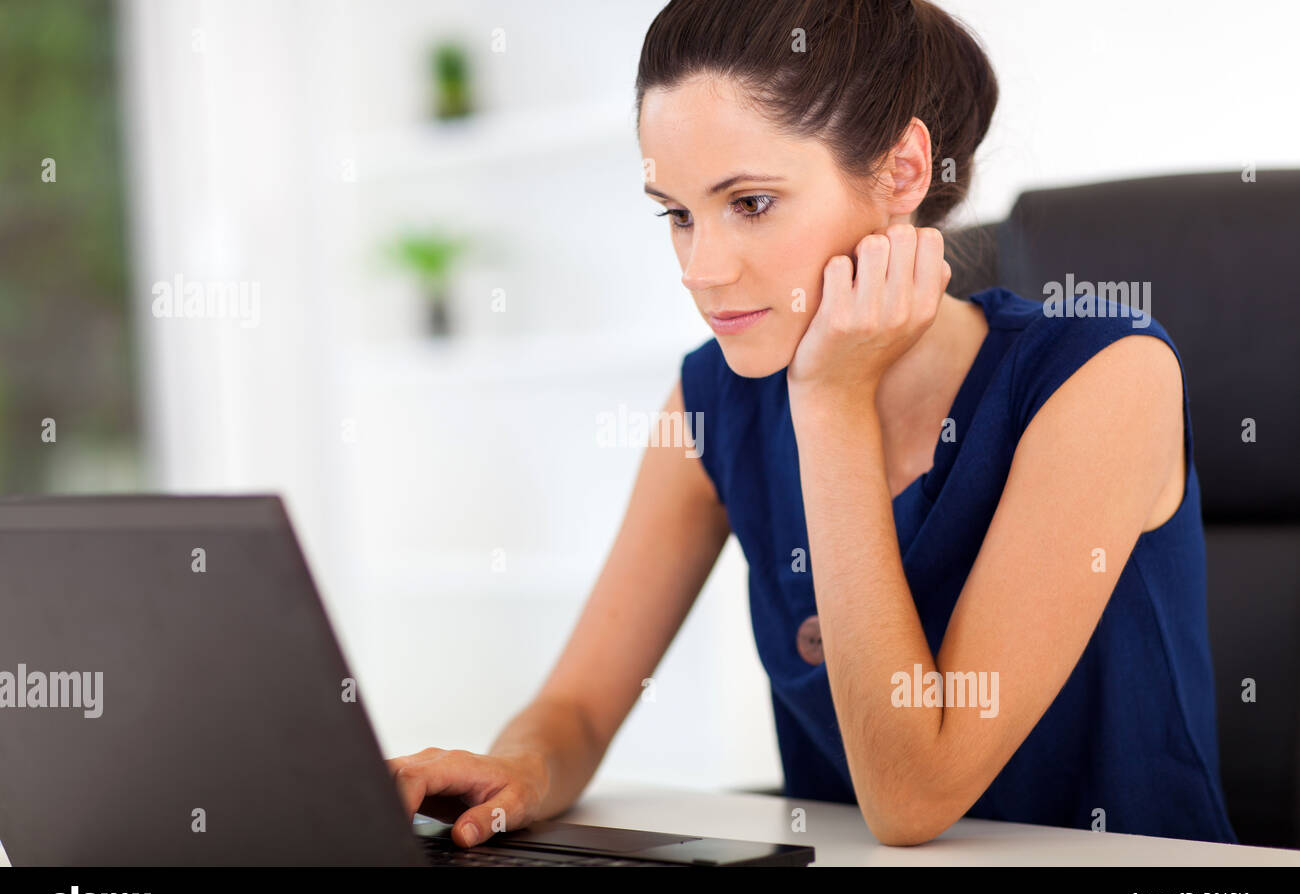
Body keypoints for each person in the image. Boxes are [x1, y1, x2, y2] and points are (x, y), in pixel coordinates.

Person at [387, 0, 1237, 848]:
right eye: (677, 214)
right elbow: (575, 708)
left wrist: (830, 405)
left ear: (904, 172)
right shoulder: (712, 404)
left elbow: (913, 799)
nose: (701, 270)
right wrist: (526, 766)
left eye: (751, 202)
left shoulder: (1105, 375)